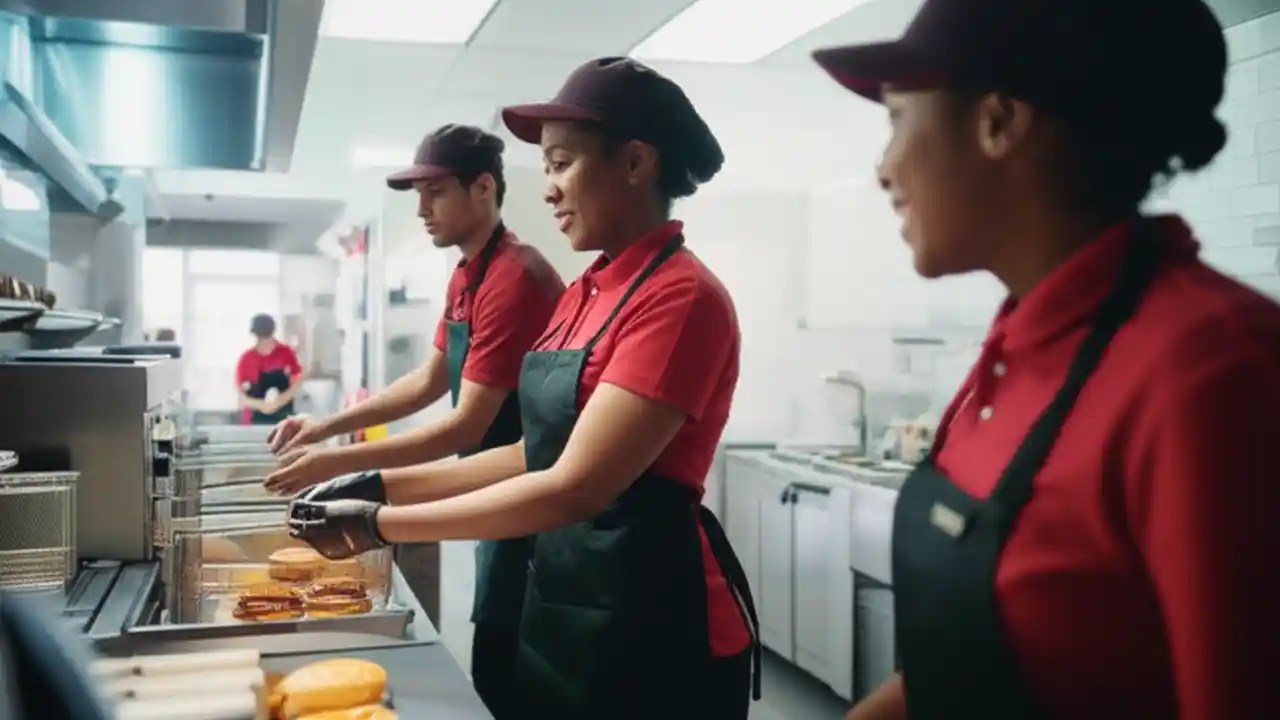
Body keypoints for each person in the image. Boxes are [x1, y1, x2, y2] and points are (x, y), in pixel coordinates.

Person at [811, 0, 1280, 718]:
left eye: (898, 119)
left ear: (999, 124)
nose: (884, 167)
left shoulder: (1213, 371)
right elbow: (969, 663)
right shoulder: (1014, 346)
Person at [287, 58, 762, 718]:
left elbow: (578, 484)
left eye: (562, 163)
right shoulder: (586, 294)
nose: (548, 191)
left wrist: (378, 523)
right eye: (546, 169)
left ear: (635, 162)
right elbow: (532, 454)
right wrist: (374, 484)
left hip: (654, 618)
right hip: (566, 593)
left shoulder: (679, 298)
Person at [265, 123, 565, 719]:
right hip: (488, 485)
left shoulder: (516, 277)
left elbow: (464, 428)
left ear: (483, 188)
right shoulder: (468, 276)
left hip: (531, 495)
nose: (423, 210)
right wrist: (325, 427)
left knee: (508, 667)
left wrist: (340, 463)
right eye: (418, 196)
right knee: (495, 648)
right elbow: (426, 381)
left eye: (436, 193)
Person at [236, 314, 303, 425]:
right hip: (255, 422)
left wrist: (278, 402)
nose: (265, 344)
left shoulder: (286, 353)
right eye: (261, 338)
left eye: (267, 338)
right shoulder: (246, 360)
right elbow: (242, 397)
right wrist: (263, 406)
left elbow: (296, 384)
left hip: (283, 421)